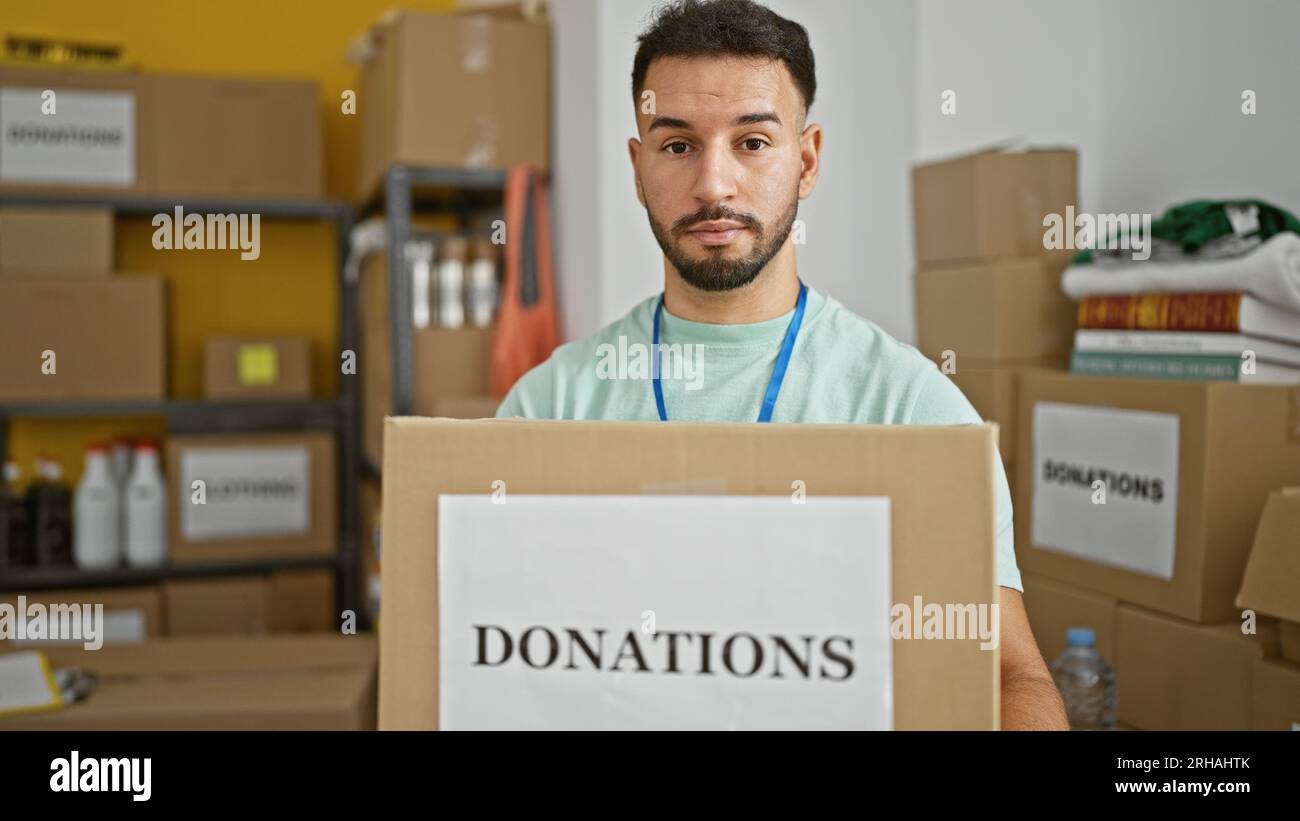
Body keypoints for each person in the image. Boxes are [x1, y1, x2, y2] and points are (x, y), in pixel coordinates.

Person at [497, 0, 1067, 730]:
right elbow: (495, 670)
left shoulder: (917, 412)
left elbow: (1011, 677)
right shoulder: (546, 410)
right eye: (677, 146)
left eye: (753, 142)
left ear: (806, 160)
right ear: (638, 168)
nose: (713, 185)